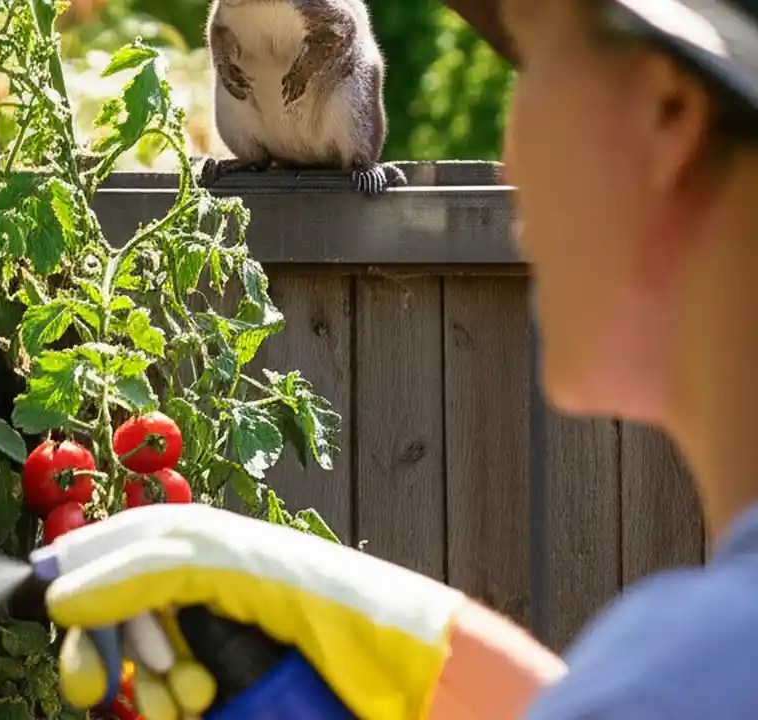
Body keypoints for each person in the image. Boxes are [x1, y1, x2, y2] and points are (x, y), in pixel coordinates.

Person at [43, 0, 758, 718]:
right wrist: (425, 642)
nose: (509, 155)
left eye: (537, 67)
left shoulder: (691, 665)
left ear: (668, 116)